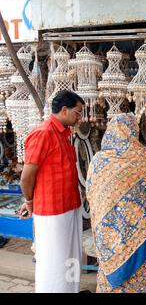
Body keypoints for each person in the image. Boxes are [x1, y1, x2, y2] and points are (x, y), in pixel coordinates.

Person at [86, 113, 146, 293]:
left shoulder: (98, 161)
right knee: (141, 277)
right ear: (134, 132)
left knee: (109, 276)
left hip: (108, 236)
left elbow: (90, 194)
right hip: (140, 233)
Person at [19, 90, 84, 293]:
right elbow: (26, 177)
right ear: (64, 110)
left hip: (70, 206)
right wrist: (29, 201)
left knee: (70, 259)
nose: (80, 117)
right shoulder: (43, 133)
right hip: (52, 212)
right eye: (78, 112)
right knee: (54, 264)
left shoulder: (64, 134)